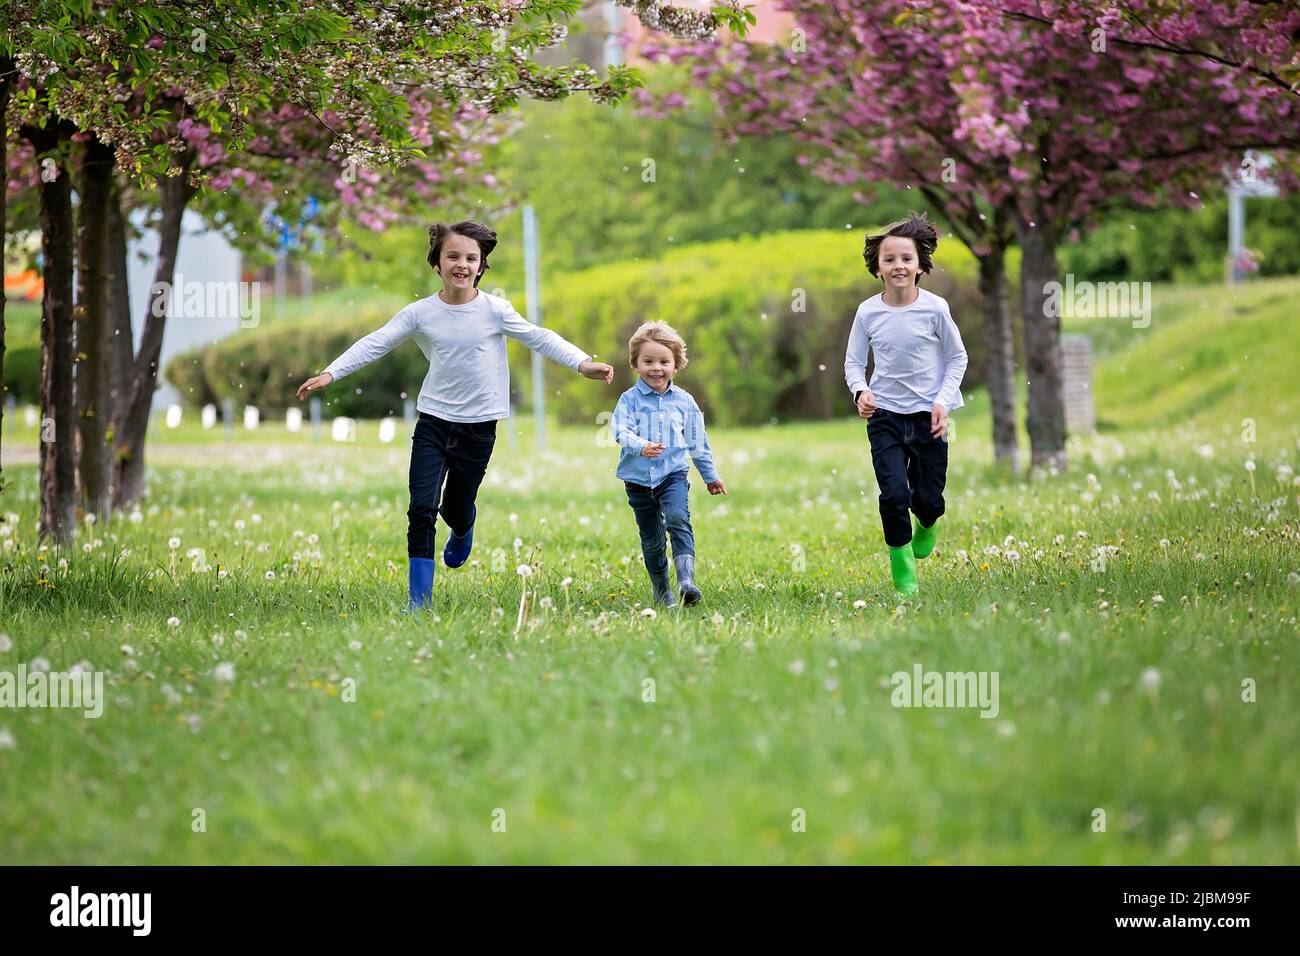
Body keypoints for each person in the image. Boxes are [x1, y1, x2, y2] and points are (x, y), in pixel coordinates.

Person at [296, 220, 614, 608]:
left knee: (455, 508)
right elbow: (376, 341)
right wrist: (332, 371)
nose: (462, 264)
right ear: (437, 263)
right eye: (453, 256)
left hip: (479, 427)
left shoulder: (495, 310)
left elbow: (539, 337)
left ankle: (463, 525)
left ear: (481, 266)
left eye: (471, 258)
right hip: (433, 421)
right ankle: (419, 601)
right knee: (421, 508)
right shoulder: (420, 313)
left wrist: (582, 364)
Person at [843, 212, 968, 597]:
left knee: (927, 500)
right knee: (894, 494)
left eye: (906, 259)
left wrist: (942, 403)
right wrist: (861, 391)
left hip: (929, 417)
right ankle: (902, 565)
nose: (898, 266)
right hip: (885, 417)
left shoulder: (935, 308)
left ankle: (927, 522)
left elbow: (957, 358)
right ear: (877, 267)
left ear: (920, 265)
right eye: (890, 260)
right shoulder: (868, 312)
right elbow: (853, 362)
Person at [611, 321, 726, 608]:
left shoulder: (685, 402)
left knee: (678, 519)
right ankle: (662, 591)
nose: (656, 368)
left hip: (672, 475)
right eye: (648, 361)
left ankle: (687, 582)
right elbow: (620, 431)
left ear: (676, 365)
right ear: (636, 363)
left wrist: (710, 477)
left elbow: (698, 443)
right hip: (637, 482)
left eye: (664, 361)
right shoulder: (629, 400)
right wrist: (640, 445)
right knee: (651, 539)